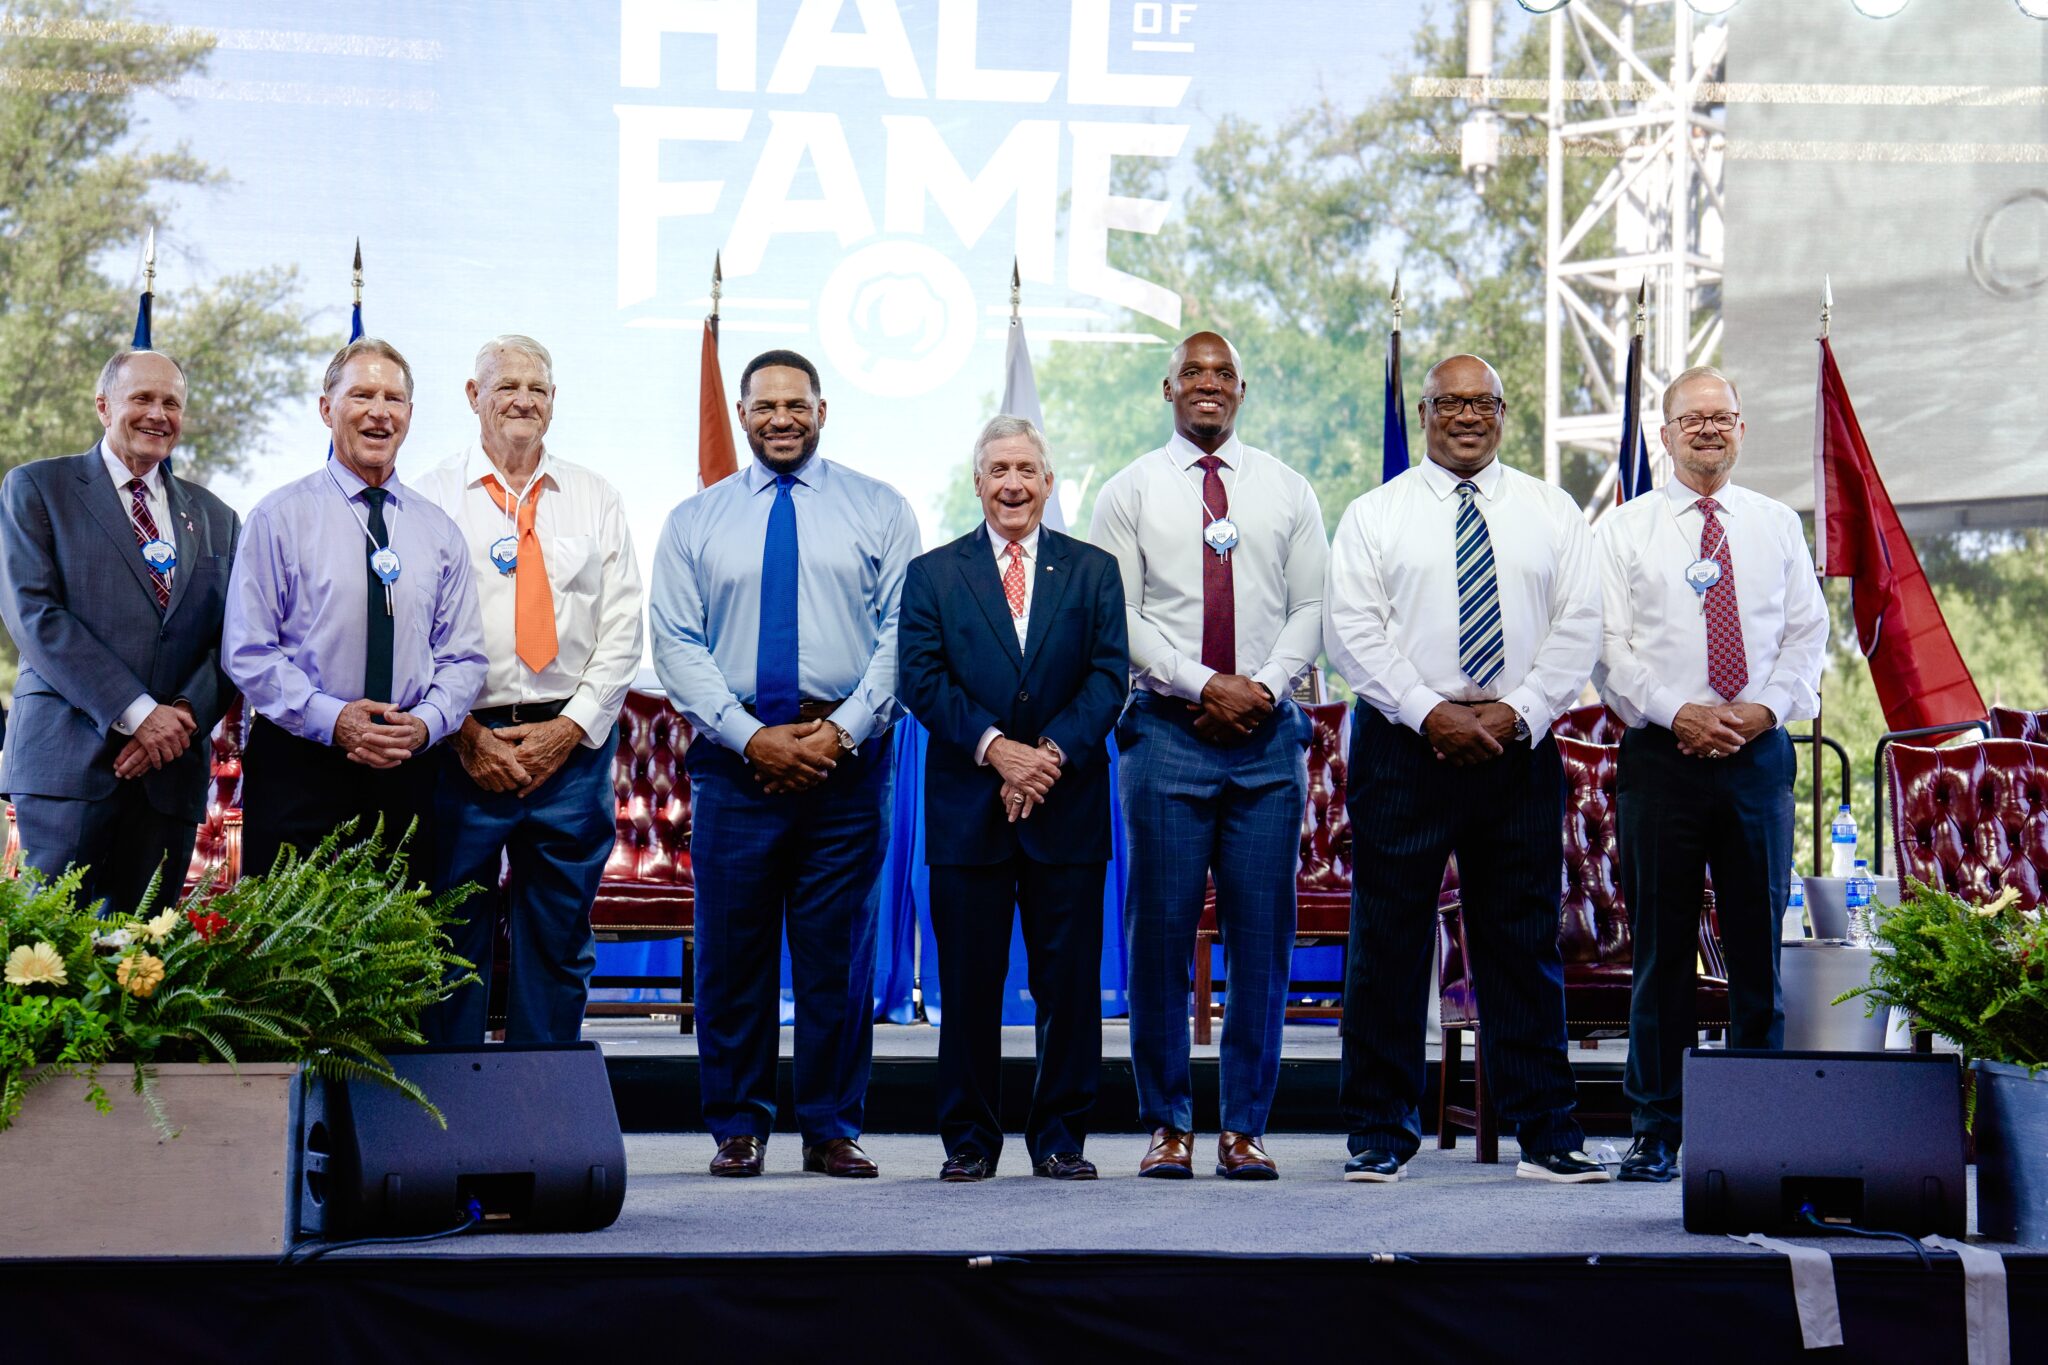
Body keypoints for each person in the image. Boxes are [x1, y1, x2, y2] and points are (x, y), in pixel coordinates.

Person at [1324, 354, 1609, 1184]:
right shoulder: (1375, 515)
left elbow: (1578, 622)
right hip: (1405, 742)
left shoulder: (1552, 512)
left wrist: (1520, 710)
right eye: (1450, 402)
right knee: (1388, 941)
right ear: (1424, 412)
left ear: (1504, 410)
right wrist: (1430, 712)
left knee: (1522, 940)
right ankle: (1379, 1130)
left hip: (1518, 745)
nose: (1467, 416)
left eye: (1482, 401)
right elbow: (1352, 632)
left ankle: (1547, 1134)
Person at [650, 348, 920, 1179]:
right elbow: (676, 642)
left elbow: (902, 633)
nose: (780, 418)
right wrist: (747, 735)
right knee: (734, 953)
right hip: (736, 762)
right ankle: (738, 1125)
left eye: (795, 404)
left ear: (822, 411)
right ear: (742, 415)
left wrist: (838, 734)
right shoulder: (694, 521)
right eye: (764, 406)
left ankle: (832, 1125)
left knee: (837, 955)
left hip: (848, 760)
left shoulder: (881, 509)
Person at [1091, 331, 1327, 1180]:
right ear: (1167, 388)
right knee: (1157, 938)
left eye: (1224, 372)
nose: (1208, 384)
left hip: (1266, 741)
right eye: (1193, 372)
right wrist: (1202, 685)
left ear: (1242, 389)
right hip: (1164, 736)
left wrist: (1259, 686)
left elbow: (1311, 607)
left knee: (1262, 941)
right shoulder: (1130, 491)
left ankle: (1244, 1128)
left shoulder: (1288, 490)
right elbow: (1119, 617)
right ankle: (1167, 1126)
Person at [1594, 364, 1828, 1183]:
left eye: (1721, 417)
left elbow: (1807, 637)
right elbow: (1608, 649)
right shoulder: (1623, 531)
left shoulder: (1775, 525)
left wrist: (1758, 713)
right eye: (1690, 419)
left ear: (1741, 428)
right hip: (1662, 756)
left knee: (1757, 952)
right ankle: (1657, 1129)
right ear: (1664, 435)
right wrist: (1681, 714)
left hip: (1757, 756)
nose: (1707, 429)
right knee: (1661, 955)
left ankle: (1757, 1131)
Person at [897, 415, 1128, 1182]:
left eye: (1027, 468)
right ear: (977, 482)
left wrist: (1049, 755)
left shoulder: (1093, 571)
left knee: (1069, 987)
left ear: (1049, 482)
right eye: (998, 469)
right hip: (970, 810)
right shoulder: (933, 574)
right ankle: (969, 1141)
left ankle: (1060, 1138)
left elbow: (1108, 677)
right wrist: (999, 751)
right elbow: (921, 679)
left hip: (1067, 806)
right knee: (967, 986)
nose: (1013, 484)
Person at [413, 336, 643, 1044]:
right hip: (460, 747)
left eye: (537, 388)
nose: (522, 400)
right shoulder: (427, 496)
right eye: (506, 385)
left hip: (567, 754)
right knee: (448, 938)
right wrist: (463, 733)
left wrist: (569, 729)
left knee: (559, 940)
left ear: (553, 400)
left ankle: (540, 1120)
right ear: (472, 395)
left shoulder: (595, 497)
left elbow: (623, 627)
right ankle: (448, 1127)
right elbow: (410, 634)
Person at [224, 338, 486, 884]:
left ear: (409, 416)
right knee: (290, 957)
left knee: (402, 959)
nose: (379, 411)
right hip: (302, 763)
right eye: (362, 394)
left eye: (394, 398)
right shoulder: (278, 517)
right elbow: (248, 652)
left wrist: (425, 725)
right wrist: (335, 720)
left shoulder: (439, 531)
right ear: (326, 408)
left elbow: (463, 658)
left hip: (408, 767)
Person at [0, 349, 240, 915]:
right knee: (47, 962)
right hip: (67, 762)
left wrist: (180, 717)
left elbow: (234, 638)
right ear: (104, 406)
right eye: (143, 398)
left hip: (169, 777)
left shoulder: (217, 517)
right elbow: (35, 614)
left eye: (172, 403)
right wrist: (138, 714)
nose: (158, 414)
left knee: (145, 967)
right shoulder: (36, 488)